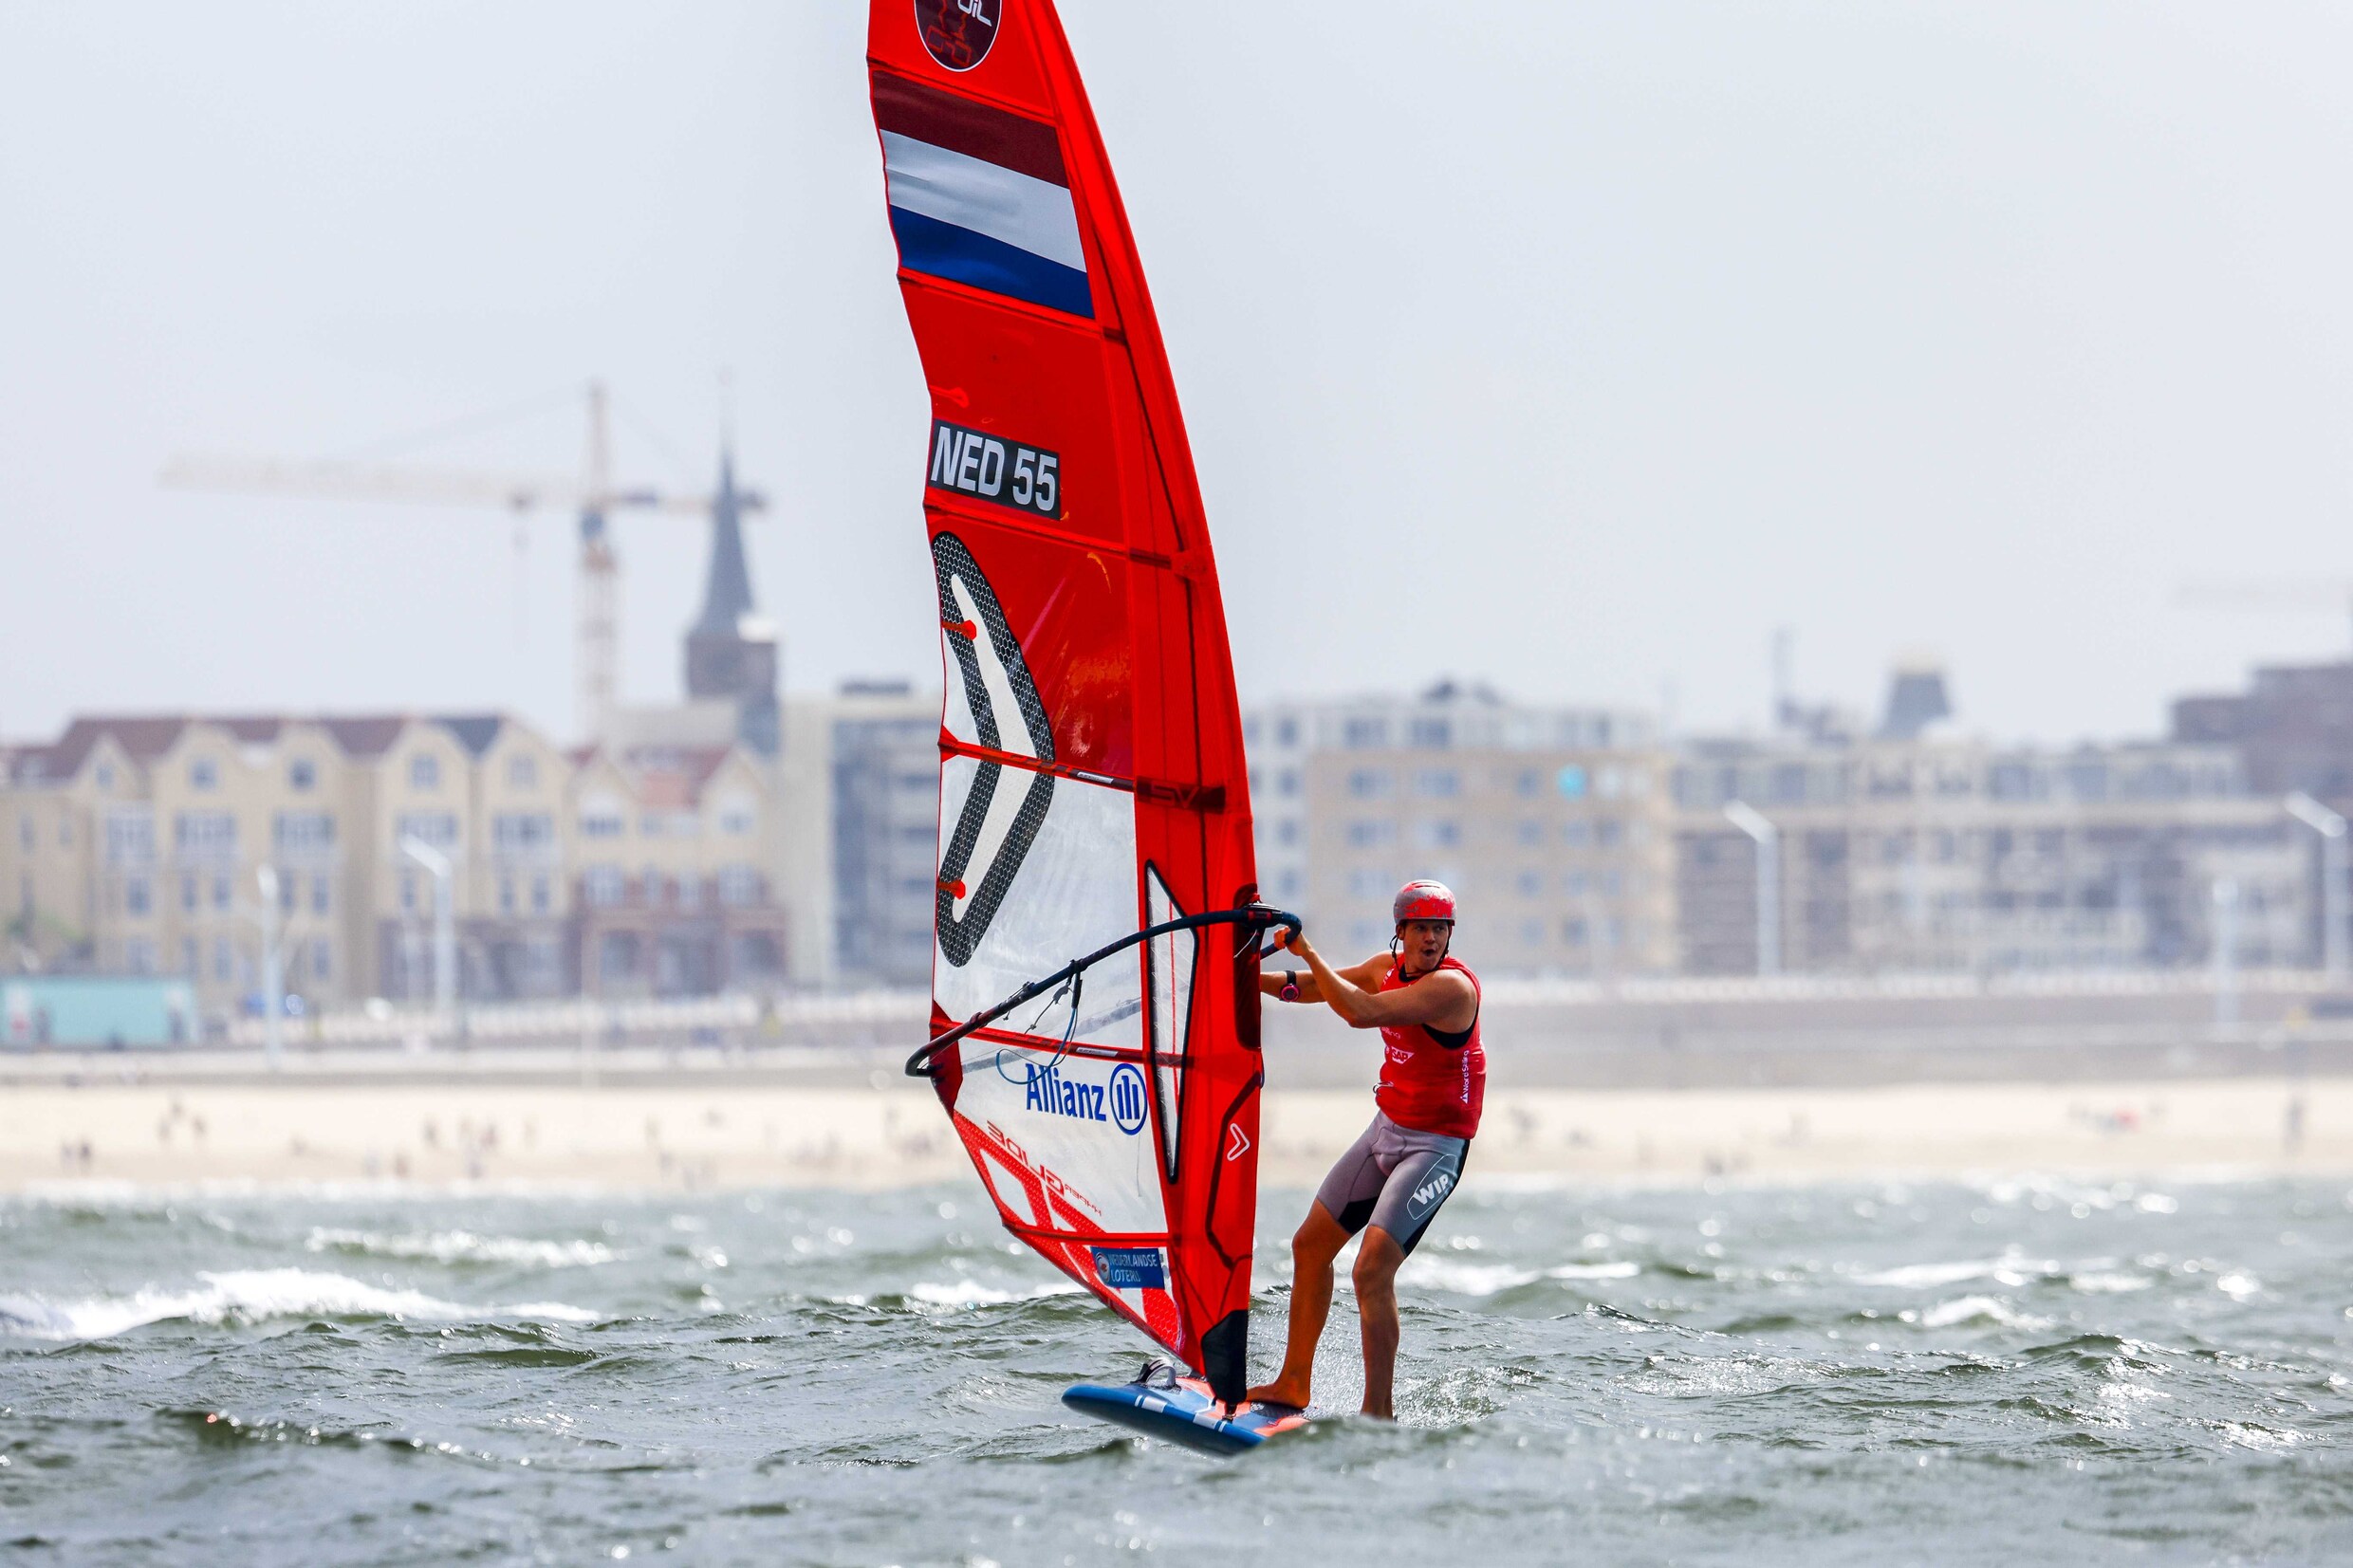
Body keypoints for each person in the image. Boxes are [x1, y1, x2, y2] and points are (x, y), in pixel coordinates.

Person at [1247, 879, 1484, 1419]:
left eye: (1440, 929)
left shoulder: (1452, 990)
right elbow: (1317, 989)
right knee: (1310, 1246)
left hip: (1436, 1147)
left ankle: (1378, 1412)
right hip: (1387, 1131)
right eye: (1420, 927)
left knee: (1370, 1271)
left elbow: (1358, 1011)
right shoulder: (1385, 967)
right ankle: (1293, 1384)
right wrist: (1244, 980)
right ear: (1400, 931)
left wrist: (1306, 949)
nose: (1430, 938)